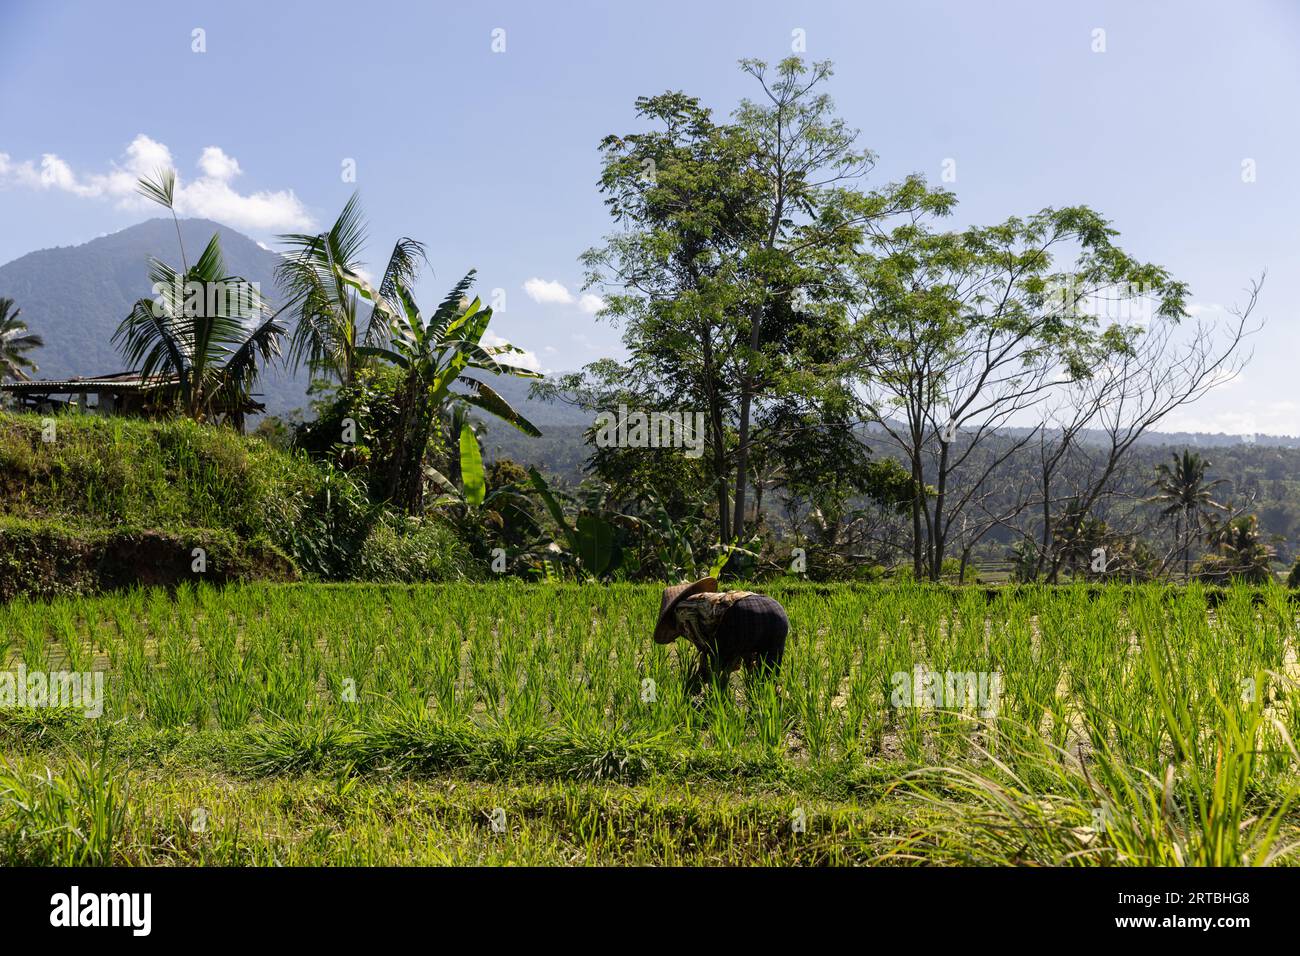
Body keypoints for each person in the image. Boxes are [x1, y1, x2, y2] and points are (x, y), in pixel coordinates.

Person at [652, 577, 789, 694]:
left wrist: (697, 679)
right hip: (776, 609)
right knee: (767, 678)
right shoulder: (707, 598)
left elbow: (708, 648)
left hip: (741, 612)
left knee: (717, 670)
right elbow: (748, 642)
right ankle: (779, 708)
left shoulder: (681, 609)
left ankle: (717, 703)